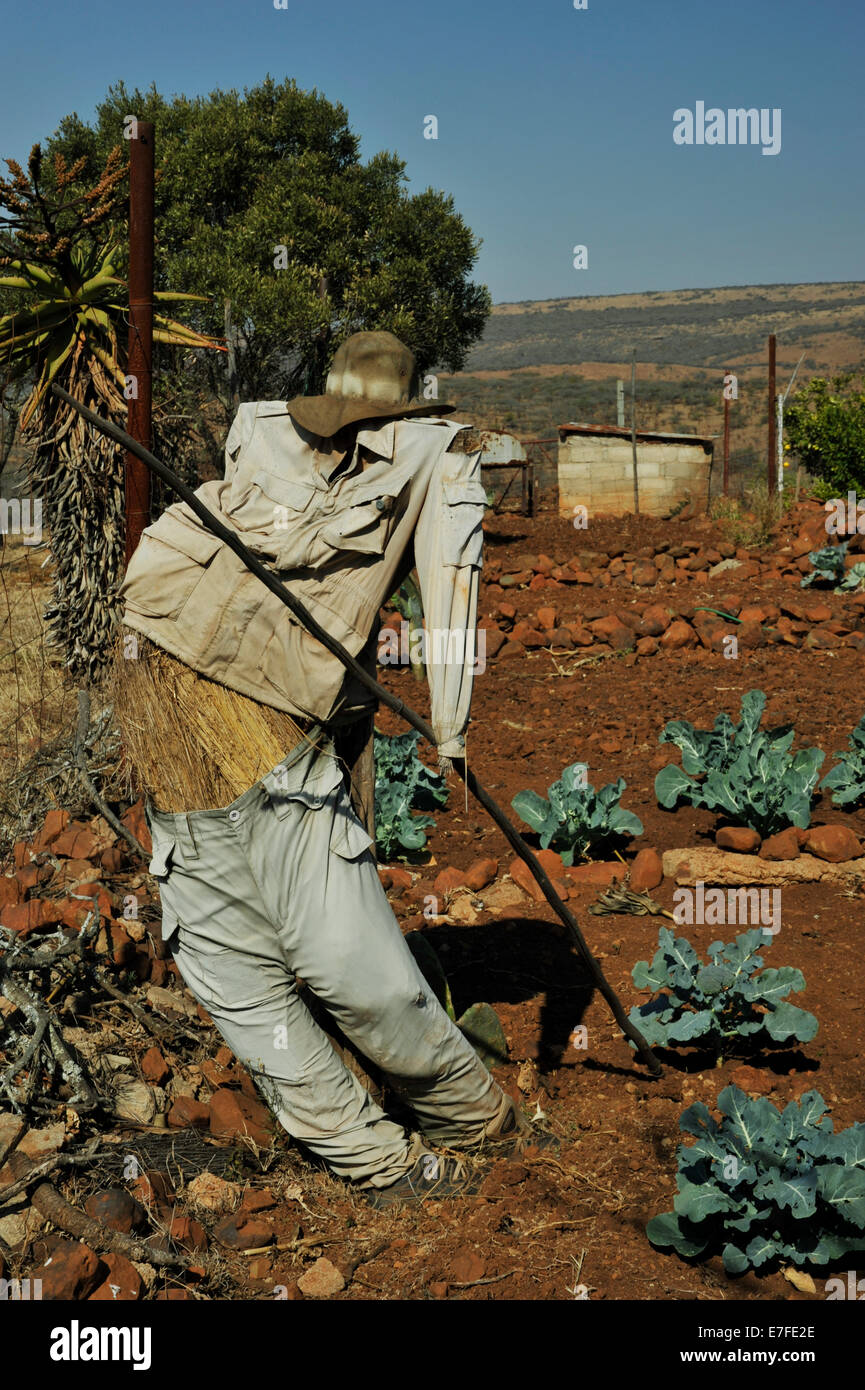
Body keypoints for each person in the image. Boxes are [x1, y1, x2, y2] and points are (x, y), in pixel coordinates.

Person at [112, 332, 530, 1206]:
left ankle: (471, 1120)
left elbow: (450, 584)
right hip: (166, 707)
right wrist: (448, 734)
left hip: (275, 743)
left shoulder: (434, 454)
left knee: (352, 966)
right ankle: (380, 1164)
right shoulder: (259, 425)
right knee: (234, 975)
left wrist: (450, 727)